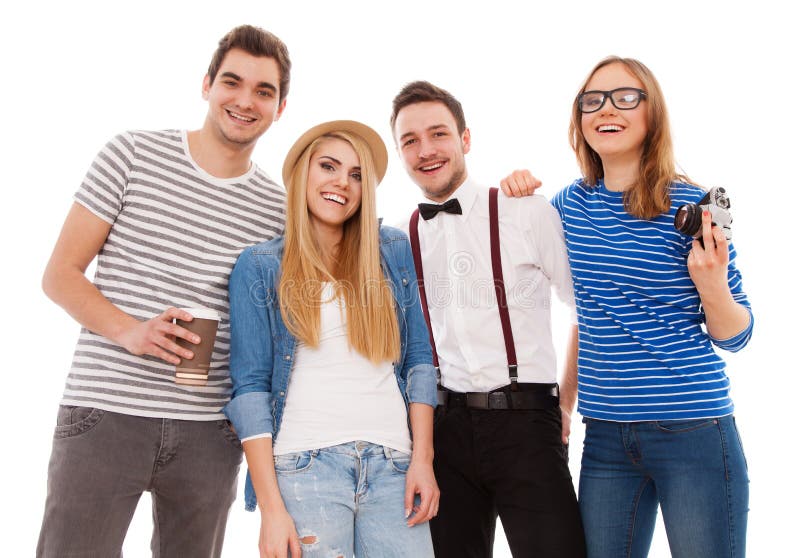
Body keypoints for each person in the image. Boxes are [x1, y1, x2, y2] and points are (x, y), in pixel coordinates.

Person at [37, 25, 290, 558]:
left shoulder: (276, 208)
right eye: (232, 82)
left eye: (263, 91)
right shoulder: (131, 154)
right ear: (206, 85)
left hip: (210, 434)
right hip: (105, 412)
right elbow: (60, 274)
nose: (245, 101)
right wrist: (130, 332)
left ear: (280, 107)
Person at [551, 56, 753, 558]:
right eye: (591, 101)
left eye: (625, 96)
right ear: (580, 119)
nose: (606, 109)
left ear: (651, 114)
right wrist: (564, 402)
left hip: (692, 431)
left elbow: (737, 335)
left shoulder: (690, 206)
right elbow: (590, 312)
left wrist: (711, 286)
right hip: (604, 439)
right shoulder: (566, 207)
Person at [224, 120, 439, 558]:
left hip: (395, 469)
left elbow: (419, 360)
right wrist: (271, 509)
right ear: (304, 173)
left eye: (357, 175)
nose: (342, 182)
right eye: (329, 166)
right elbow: (251, 390)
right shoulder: (260, 265)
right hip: (305, 470)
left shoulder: (391, 249)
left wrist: (423, 459)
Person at [390, 81, 586, 558]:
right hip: (445, 432)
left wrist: (565, 402)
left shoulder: (526, 211)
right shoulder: (402, 237)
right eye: (410, 141)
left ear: (465, 139)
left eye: (438, 134)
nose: (426, 150)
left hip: (528, 425)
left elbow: (585, 309)